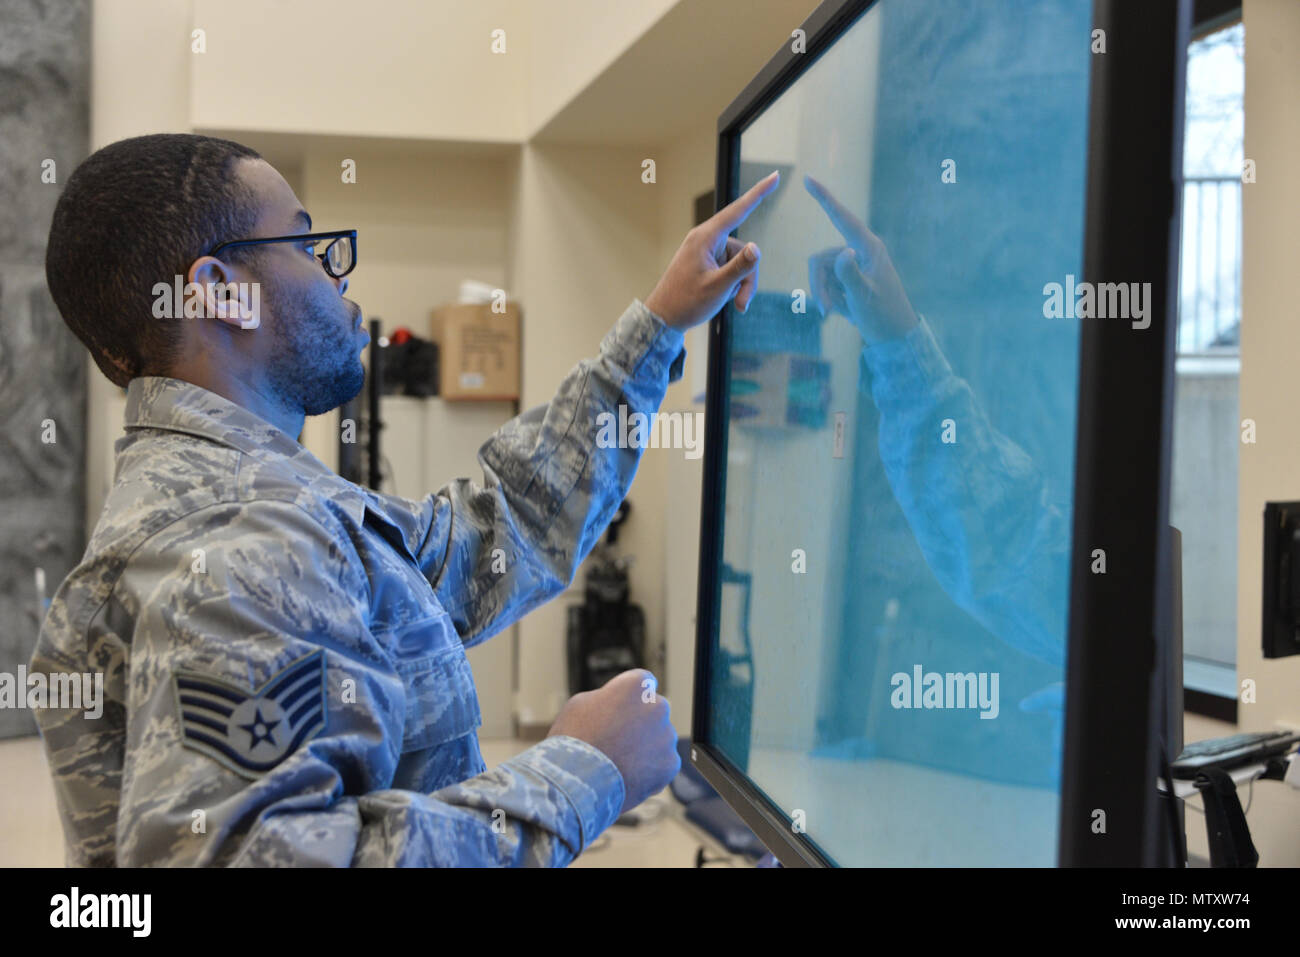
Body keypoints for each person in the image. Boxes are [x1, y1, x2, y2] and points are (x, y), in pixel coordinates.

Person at [31, 132, 778, 867]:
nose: (340, 277)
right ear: (219, 291)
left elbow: (498, 532)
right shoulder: (238, 539)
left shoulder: (259, 501)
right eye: (308, 246)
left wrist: (657, 325)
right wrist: (581, 769)